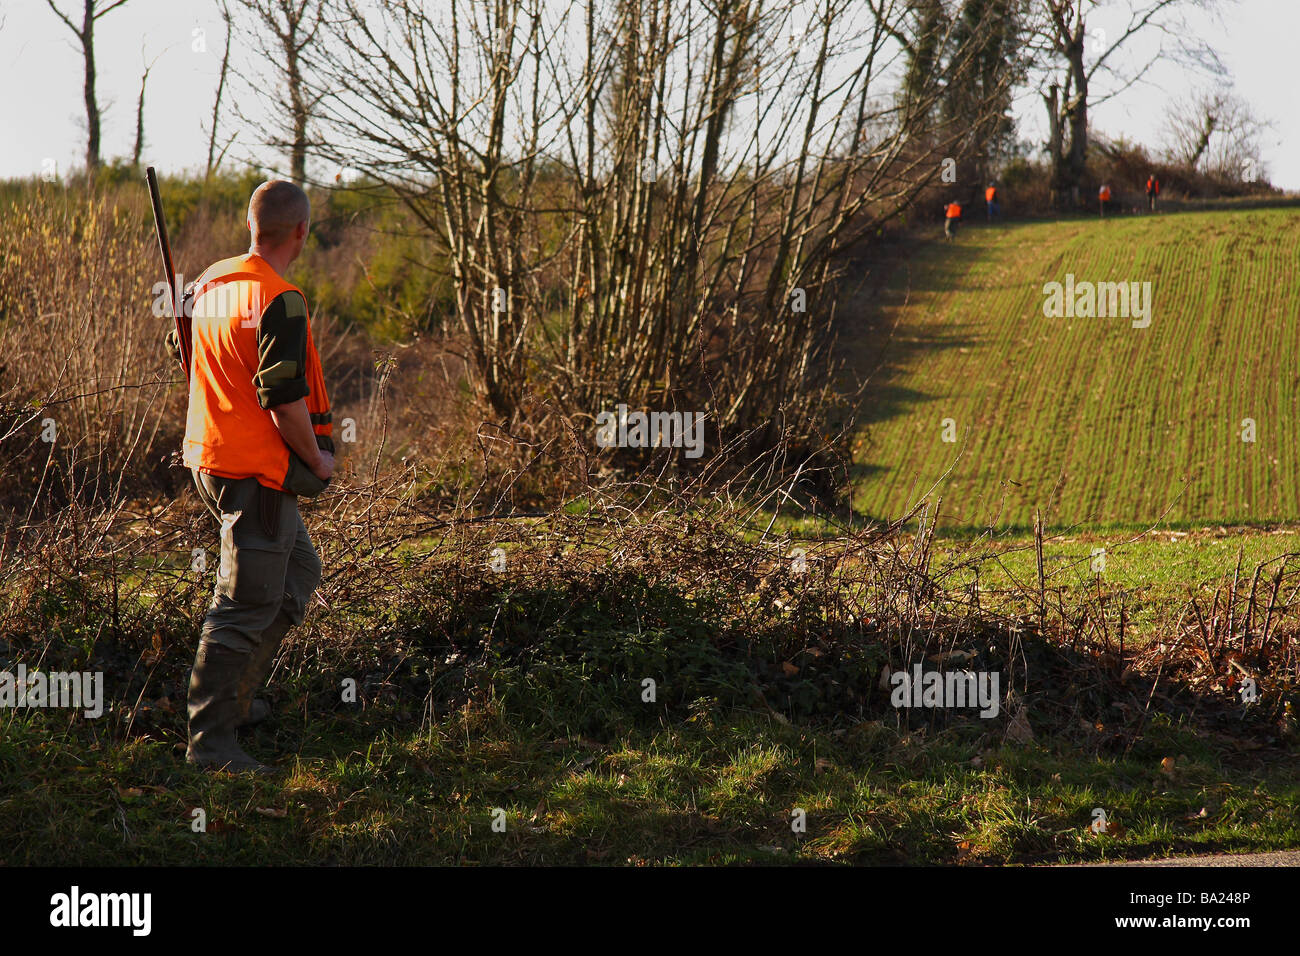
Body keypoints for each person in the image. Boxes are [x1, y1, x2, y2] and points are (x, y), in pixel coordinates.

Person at [167, 180, 335, 773]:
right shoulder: (280, 298)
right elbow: (283, 399)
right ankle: (211, 745)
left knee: (298, 571)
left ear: (249, 224)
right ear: (301, 232)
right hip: (255, 475)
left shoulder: (211, 281)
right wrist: (316, 460)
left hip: (208, 461)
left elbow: (183, 348)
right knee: (242, 605)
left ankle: (233, 699)